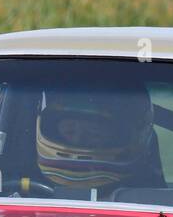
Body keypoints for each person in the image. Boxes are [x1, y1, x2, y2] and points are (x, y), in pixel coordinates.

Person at [34, 82, 164, 192]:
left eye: (93, 132)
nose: (78, 138)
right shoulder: (20, 192)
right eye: (70, 130)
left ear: (120, 135)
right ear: (51, 126)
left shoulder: (155, 205)